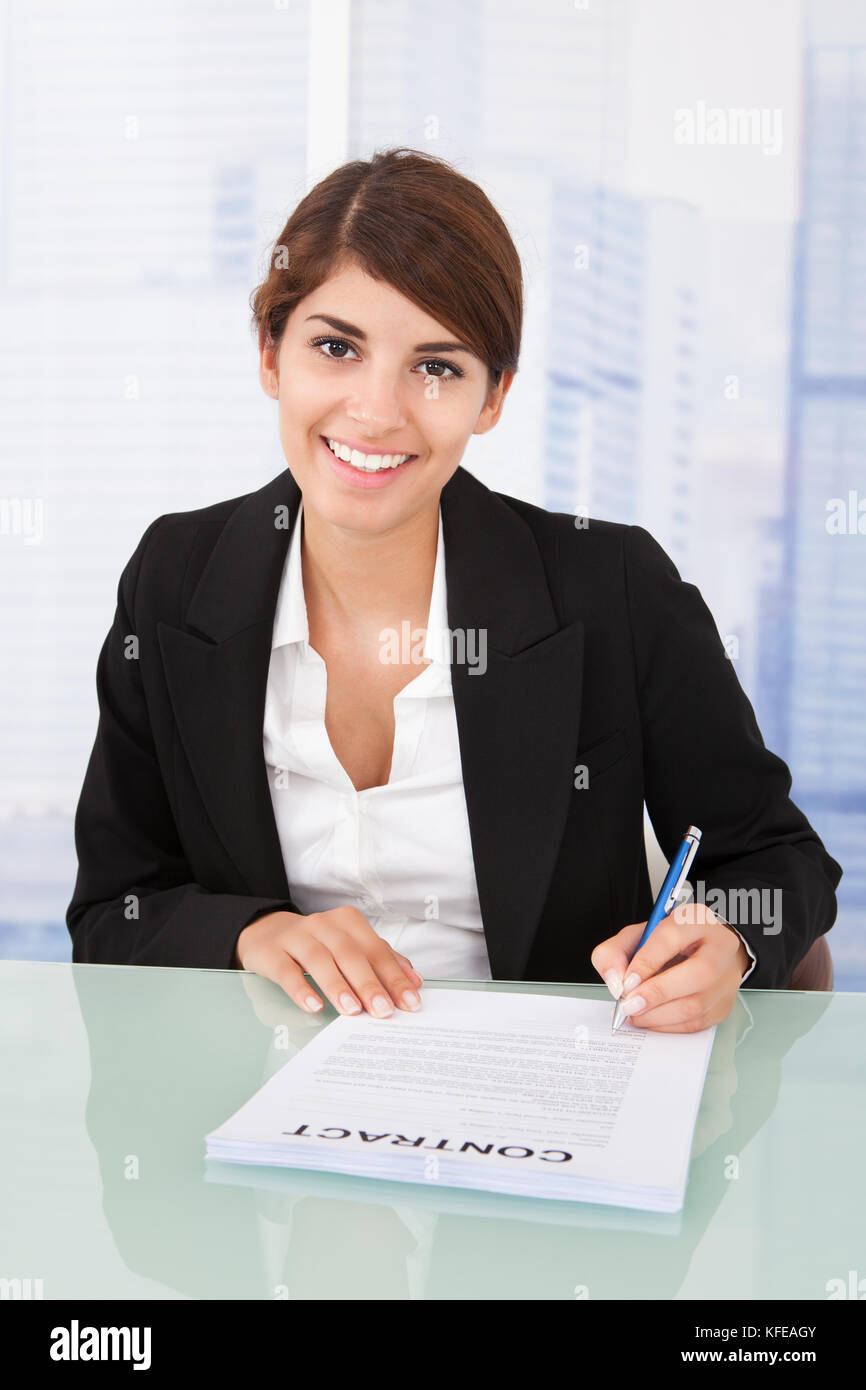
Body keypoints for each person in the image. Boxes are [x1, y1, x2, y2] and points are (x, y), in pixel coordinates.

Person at [66, 147, 842, 1033]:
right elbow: (113, 910)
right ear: (271, 356)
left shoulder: (611, 586)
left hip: (548, 1108)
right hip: (263, 1108)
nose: (376, 411)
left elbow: (776, 860)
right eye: (335, 347)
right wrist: (249, 932)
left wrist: (725, 943)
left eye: (436, 366)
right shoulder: (176, 576)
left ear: (493, 396)